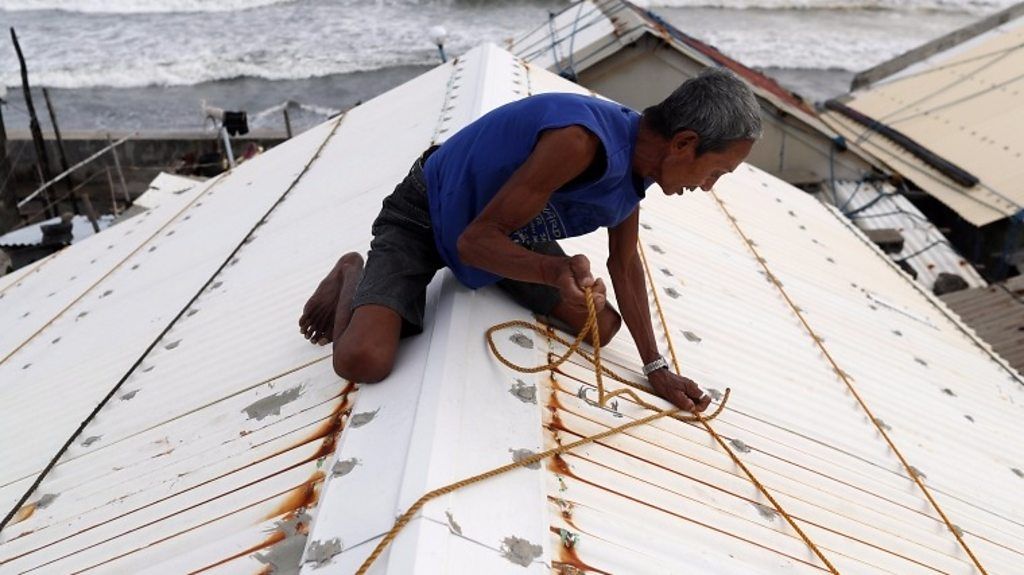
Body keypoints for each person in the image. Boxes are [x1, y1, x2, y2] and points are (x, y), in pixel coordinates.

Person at [299, 67, 761, 412]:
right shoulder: (580, 142)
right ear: (683, 144)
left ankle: (505, 273)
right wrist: (554, 270)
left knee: (602, 327)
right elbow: (472, 242)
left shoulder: (639, 166)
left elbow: (624, 264)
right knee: (364, 360)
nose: (707, 186)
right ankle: (351, 271)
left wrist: (656, 368)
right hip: (428, 212)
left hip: (506, 227)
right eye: (716, 172)